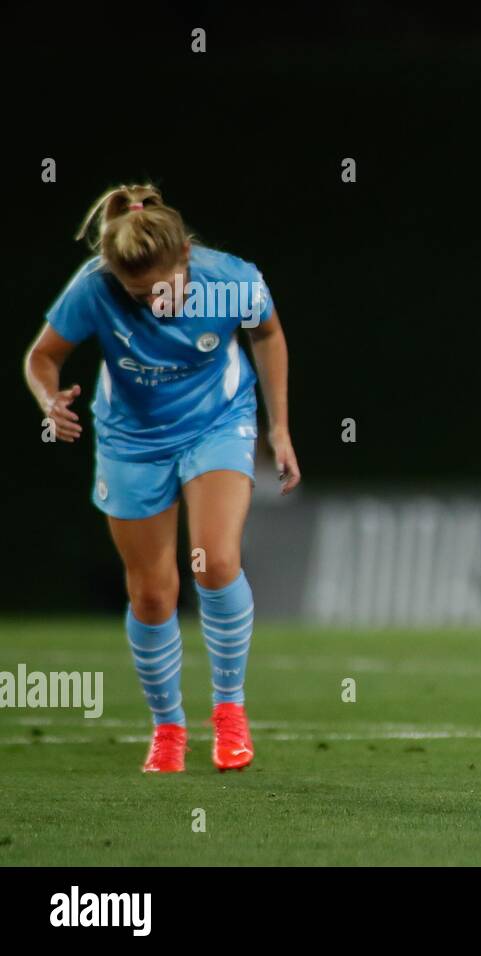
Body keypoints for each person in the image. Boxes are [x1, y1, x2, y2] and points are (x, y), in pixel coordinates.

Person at [23, 184, 301, 773]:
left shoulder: (232, 280)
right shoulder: (94, 287)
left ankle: (229, 713)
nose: (150, 302)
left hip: (216, 423)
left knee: (216, 563)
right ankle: (168, 728)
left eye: (161, 289)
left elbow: (267, 334)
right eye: (136, 294)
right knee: (152, 594)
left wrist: (279, 429)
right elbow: (41, 357)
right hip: (131, 440)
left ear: (186, 258)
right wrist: (50, 402)